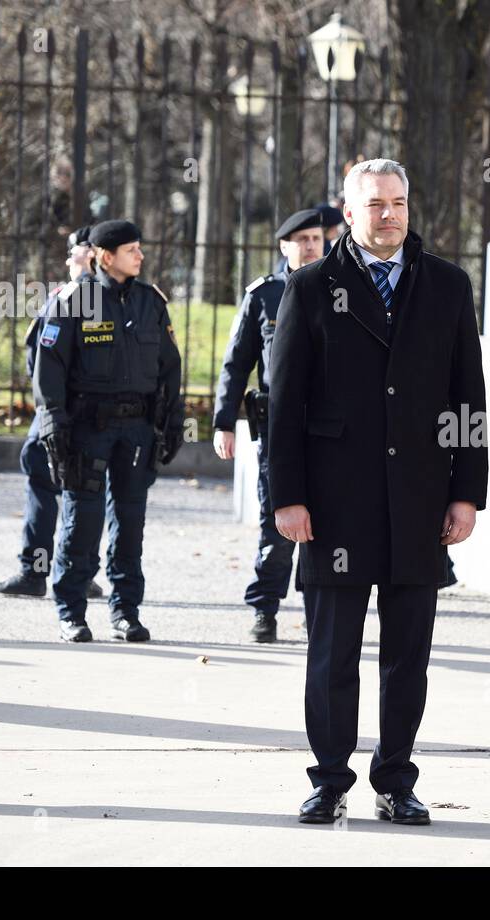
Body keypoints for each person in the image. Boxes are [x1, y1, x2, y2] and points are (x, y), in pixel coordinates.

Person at [267, 158, 488, 825]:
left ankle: (395, 780)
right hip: (335, 502)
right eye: (374, 205)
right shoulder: (310, 287)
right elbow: (285, 403)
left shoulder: (447, 285)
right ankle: (330, 780)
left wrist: (467, 491)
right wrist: (288, 496)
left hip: (420, 498)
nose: (388, 214)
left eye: (398, 202)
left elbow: (466, 395)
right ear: (349, 210)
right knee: (332, 653)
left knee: (407, 658)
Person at [33, 219, 185, 643]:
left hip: (137, 429)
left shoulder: (150, 302)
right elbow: (48, 371)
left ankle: (125, 612)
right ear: (105, 256)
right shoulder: (73, 299)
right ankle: (71, 612)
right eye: (131, 249)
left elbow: (170, 368)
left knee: (130, 521)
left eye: (139, 248)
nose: (140, 256)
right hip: (86, 428)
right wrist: (54, 426)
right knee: (83, 520)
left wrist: (173, 420)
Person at [213, 208, 325, 642]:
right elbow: (236, 363)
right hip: (280, 431)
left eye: (317, 238)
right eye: (303, 240)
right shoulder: (264, 295)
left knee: (328, 525)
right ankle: (265, 607)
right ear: (284, 246)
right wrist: (224, 422)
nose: (312, 246)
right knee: (275, 523)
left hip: (331, 431)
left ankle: (320, 610)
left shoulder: (340, 288)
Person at [0, 227, 105, 601]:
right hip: (89, 415)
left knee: (50, 486)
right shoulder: (120, 300)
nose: (73, 261)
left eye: (79, 254)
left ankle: (39, 572)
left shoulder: (69, 298)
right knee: (86, 490)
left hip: (60, 412)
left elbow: (38, 362)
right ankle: (78, 572)